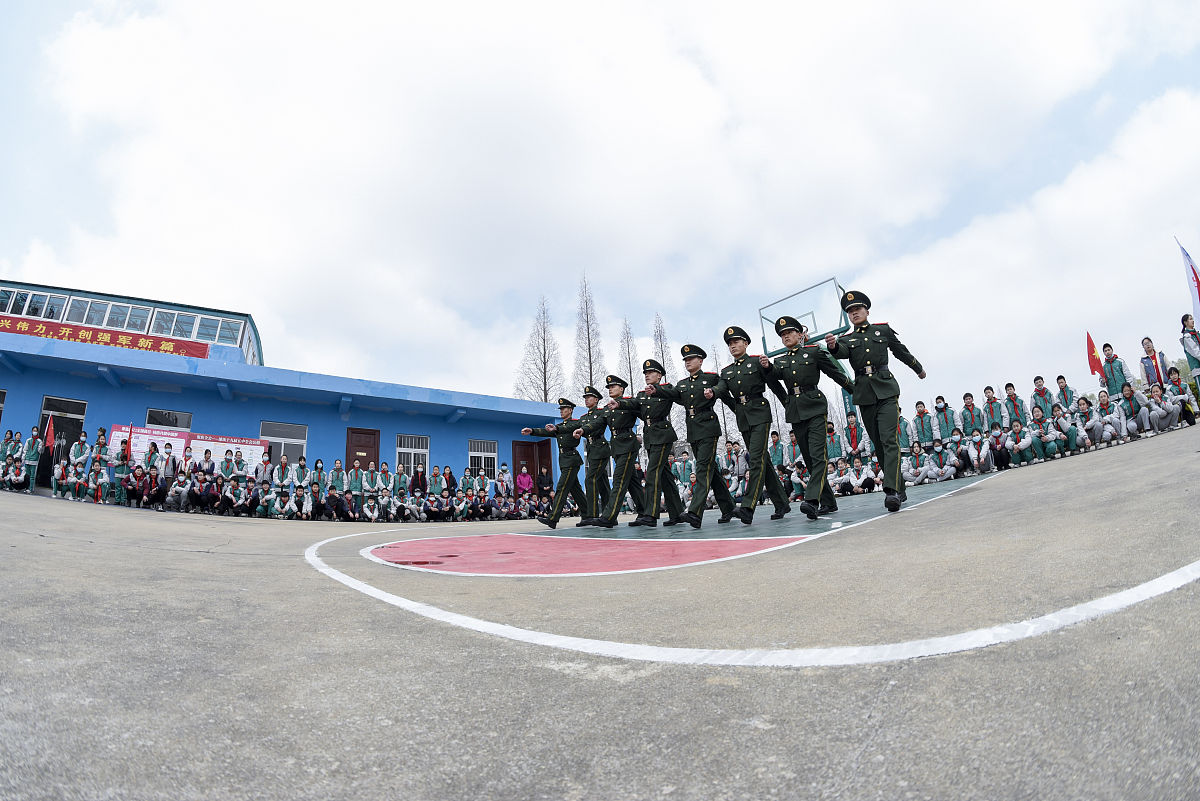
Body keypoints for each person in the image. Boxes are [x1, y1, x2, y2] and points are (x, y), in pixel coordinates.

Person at [825, 290, 926, 512]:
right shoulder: (847, 340)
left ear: (867, 311)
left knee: (890, 440)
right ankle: (899, 487)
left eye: (857, 309)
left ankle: (891, 492)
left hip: (887, 390)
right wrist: (832, 345)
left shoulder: (882, 330)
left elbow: (900, 351)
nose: (854, 314)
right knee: (878, 444)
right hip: (865, 395)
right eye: (850, 312)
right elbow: (840, 351)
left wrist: (917, 367)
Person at [762, 315, 854, 519]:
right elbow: (774, 377)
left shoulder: (813, 353)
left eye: (789, 333)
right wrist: (768, 368)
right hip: (795, 411)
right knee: (811, 460)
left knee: (817, 454)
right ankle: (829, 501)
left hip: (814, 407)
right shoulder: (781, 361)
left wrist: (854, 390)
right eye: (782, 335)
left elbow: (834, 373)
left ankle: (812, 500)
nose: (785, 337)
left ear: (800, 334)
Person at [646, 345, 738, 528]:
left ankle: (695, 512)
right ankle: (728, 508)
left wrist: (720, 397)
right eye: (685, 360)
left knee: (702, 468)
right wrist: (657, 390)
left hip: (709, 427)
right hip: (693, 430)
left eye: (691, 359)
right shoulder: (682, 384)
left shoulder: (711, 378)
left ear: (701, 361)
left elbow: (722, 389)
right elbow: (673, 394)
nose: (687, 362)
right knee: (711, 471)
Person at [716, 323, 793, 523]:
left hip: (760, 413)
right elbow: (723, 391)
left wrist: (787, 403)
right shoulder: (726, 371)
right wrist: (713, 392)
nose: (732, 346)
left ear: (746, 343)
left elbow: (774, 384)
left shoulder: (757, 362)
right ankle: (782, 503)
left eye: (736, 342)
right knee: (763, 461)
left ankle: (748, 506)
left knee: (756, 459)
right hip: (743, 416)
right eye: (729, 344)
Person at [606, 358, 686, 527]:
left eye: (650, 373)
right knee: (664, 475)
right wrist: (619, 403)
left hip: (663, 434)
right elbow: (633, 403)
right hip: (650, 436)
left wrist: (656, 390)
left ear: (659, 375)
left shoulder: (666, 388)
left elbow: (676, 395)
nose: (647, 375)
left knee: (653, 473)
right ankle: (677, 513)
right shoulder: (642, 395)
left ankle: (650, 514)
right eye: (645, 373)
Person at [585, 374, 647, 528]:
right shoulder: (607, 408)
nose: (610, 389)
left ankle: (609, 517)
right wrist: (582, 429)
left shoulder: (628, 402)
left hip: (628, 445)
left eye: (613, 386)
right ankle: (645, 512)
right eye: (609, 387)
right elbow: (598, 422)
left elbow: (641, 409)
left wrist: (620, 404)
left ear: (621, 388)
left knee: (619, 480)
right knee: (632, 482)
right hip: (616, 447)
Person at [521, 399, 588, 529]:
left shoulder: (574, 423)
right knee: (576, 490)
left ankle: (553, 519)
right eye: (561, 409)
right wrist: (532, 431)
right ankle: (588, 515)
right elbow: (548, 432)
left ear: (570, 410)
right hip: (564, 460)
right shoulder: (561, 426)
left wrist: (556, 428)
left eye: (564, 409)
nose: (562, 411)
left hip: (571, 459)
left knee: (562, 488)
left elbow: (565, 428)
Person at [577, 386, 612, 523]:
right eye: (585, 398)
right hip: (592, 450)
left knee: (590, 479)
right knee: (602, 483)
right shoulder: (583, 417)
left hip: (600, 448)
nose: (586, 400)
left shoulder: (601, 412)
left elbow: (597, 425)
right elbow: (572, 428)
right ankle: (610, 515)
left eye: (589, 397)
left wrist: (582, 430)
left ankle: (592, 515)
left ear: (596, 399)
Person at [23, 425, 43, 492]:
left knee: (32, 476)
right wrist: (24, 458)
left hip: (34, 460)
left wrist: (41, 447)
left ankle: (31, 489)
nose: (35, 432)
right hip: (27, 459)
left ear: (37, 432)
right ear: (31, 431)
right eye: (34, 430)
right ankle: (26, 487)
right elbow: (25, 449)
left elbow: (40, 451)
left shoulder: (39, 441)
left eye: (36, 431)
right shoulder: (28, 440)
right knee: (27, 475)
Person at [1181, 314, 1200, 385]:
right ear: (1185, 322)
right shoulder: (1187, 337)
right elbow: (1195, 352)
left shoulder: (1197, 334)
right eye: (1190, 319)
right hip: (1197, 368)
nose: (1193, 321)